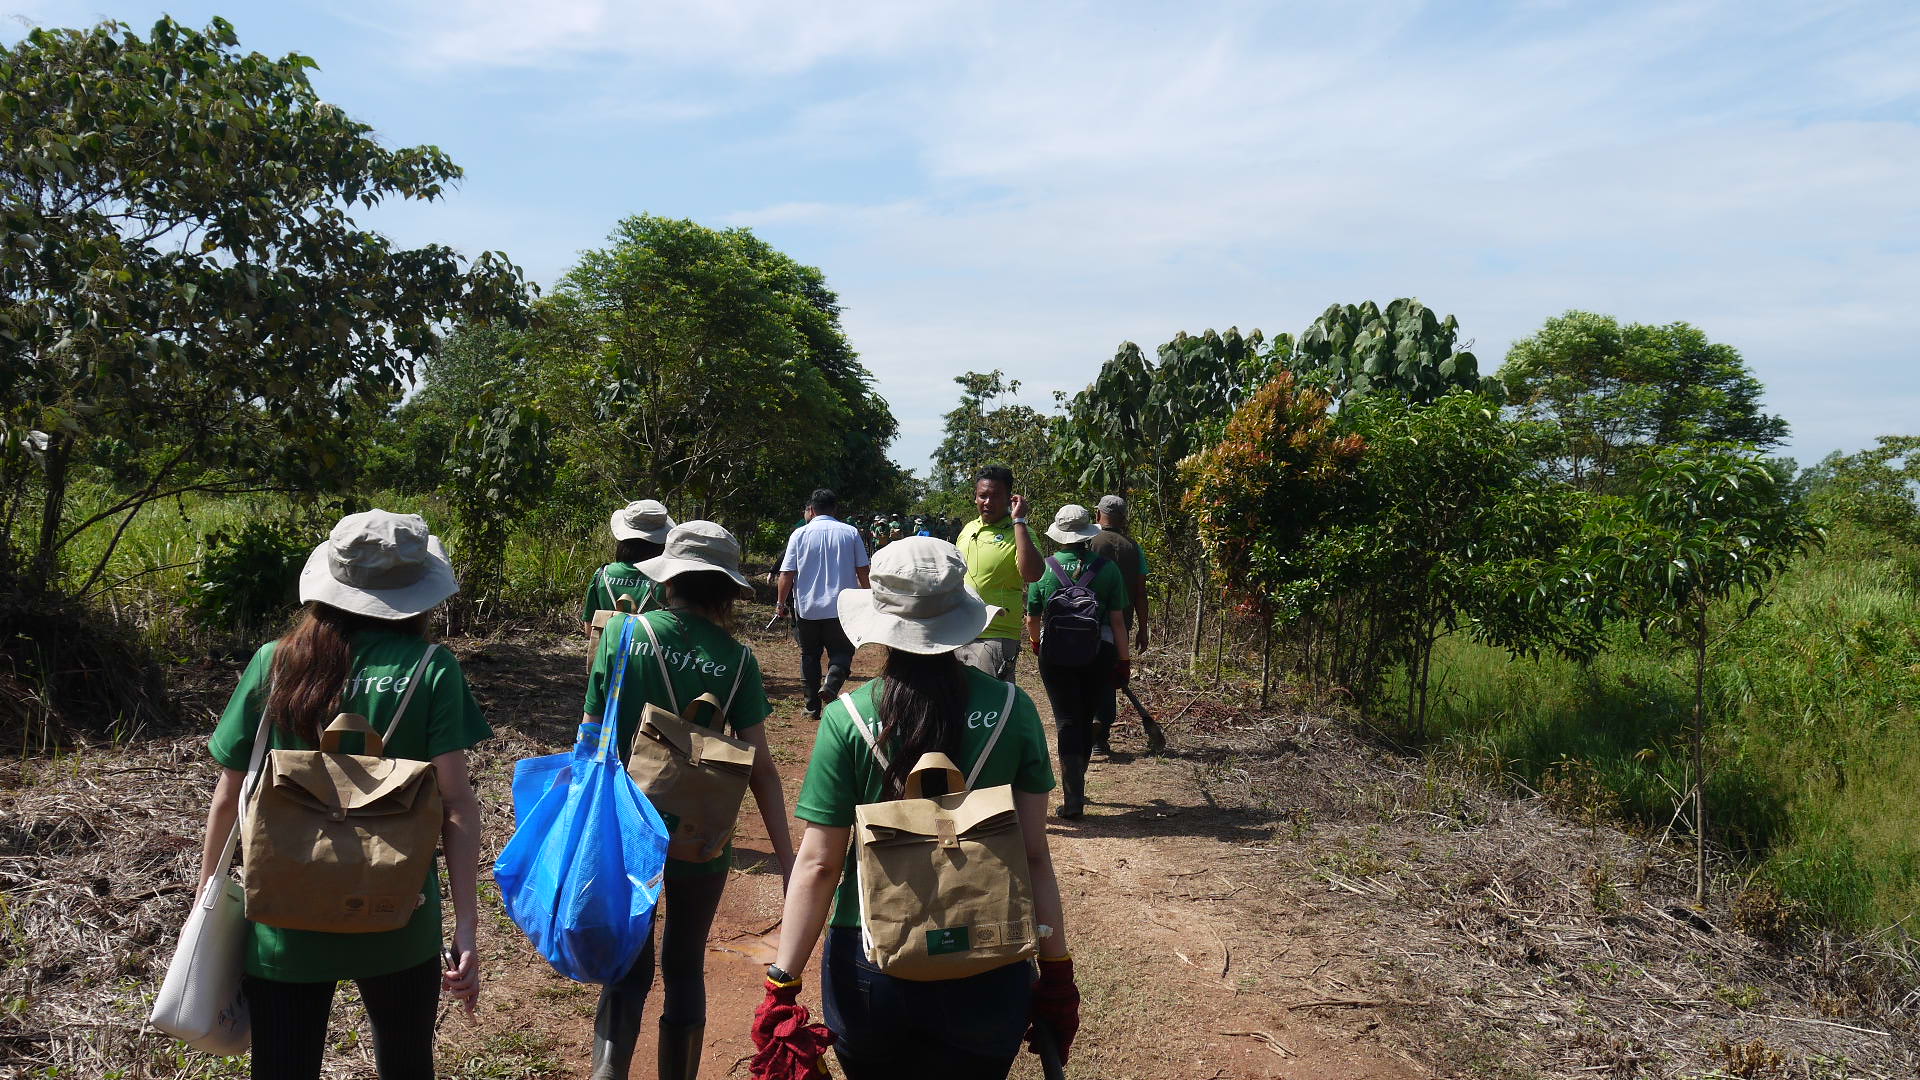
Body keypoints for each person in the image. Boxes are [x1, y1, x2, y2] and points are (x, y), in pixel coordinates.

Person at [754, 537, 1079, 1079]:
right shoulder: (1011, 710)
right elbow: (1033, 857)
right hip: (990, 965)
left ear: (881, 618)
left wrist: (782, 982)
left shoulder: (848, 718)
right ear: (960, 615)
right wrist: (1057, 968)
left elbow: (818, 865)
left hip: (873, 965)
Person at [197, 510, 487, 1080]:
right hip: (400, 915)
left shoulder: (274, 663)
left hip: (285, 920)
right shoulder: (432, 670)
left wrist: (206, 896)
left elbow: (228, 796)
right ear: (419, 594)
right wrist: (467, 927)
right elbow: (457, 805)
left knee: (282, 1067)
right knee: (407, 1064)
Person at [584, 520, 797, 1080]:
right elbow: (763, 772)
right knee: (684, 965)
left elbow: (589, 736)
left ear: (669, 578)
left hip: (627, 827)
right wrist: (787, 862)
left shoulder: (622, 635)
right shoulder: (740, 662)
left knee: (627, 964)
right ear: (727, 591)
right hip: (701, 836)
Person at [1026, 504, 1130, 819]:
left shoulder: (1044, 569)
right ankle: (1078, 784)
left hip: (1055, 654)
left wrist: (1035, 643)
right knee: (1085, 718)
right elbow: (1117, 621)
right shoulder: (1107, 569)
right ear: (1088, 534)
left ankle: (1073, 797)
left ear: (1059, 535)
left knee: (1066, 721)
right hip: (1097, 654)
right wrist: (1123, 661)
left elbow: (1033, 618)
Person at [776, 488, 871, 718]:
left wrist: (780, 603)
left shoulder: (799, 534)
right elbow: (863, 570)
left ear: (812, 509)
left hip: (808, 609)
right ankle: (831, 684)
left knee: (809, 656)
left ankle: (811, 708)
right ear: (835, 509)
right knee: (842, 651)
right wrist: (869, 597)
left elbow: (787, 573)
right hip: (842, 608)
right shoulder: (850, 533)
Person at [1087, 495, 1164, 755]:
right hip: (1121, 623)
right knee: (1108, 676)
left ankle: (1093, 731)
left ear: (1098, 515)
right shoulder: (1134, 548)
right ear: (1123, 519)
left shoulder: (1089, 543)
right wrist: (1143, 628)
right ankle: (1100, 736)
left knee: (1086, 674)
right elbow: (1141, 592)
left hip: (1086, 621)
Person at [953, 466, 1043, 681]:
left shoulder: (1021, 533)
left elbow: (1033, 574)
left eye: (995, 496)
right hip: (959, 632)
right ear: (975, 497)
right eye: (982, 496)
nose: (988, 502)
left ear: (1009, 499)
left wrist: (1019, 521)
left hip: (995, 635)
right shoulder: (968, 529)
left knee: (989, 707)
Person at [582, 499, 676, 632]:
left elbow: (589, 629)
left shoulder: (602, 575)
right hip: (649, 651)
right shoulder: (667, 579)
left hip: (609, 651)